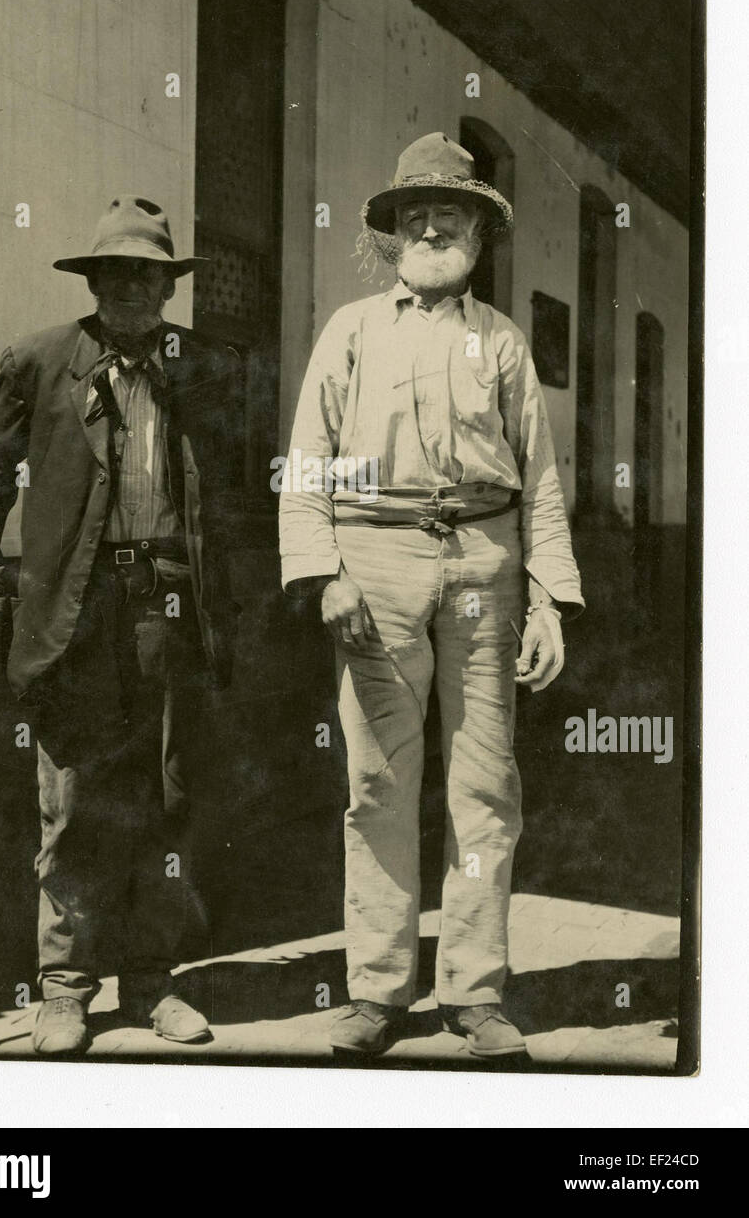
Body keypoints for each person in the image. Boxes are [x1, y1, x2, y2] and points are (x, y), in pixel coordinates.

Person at [279, 133, 584, 1058]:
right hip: (376, 568)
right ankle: (375, 989)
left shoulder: (502, 342)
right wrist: (323, 570)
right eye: (414, 214)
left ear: (480, 232)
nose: (431, 225)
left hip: (485, 570)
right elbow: (306, 464)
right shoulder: (352, 331)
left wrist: (548, 598)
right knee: (377, 783)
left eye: (449, 212)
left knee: (486, 787)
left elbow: (539, 479)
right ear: (393, 234)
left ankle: (475, 991)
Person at [0, 195, 241, 1055]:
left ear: (167, 287)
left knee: (164, 797)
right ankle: (65, 990)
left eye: (146, 275)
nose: (130, 288)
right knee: (74, 802)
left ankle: (154, 983)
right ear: (93, 282)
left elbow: (228, 493)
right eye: (113, 273)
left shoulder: (198, 370)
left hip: (168, 606)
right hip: (72, 613)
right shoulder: (40, 361)